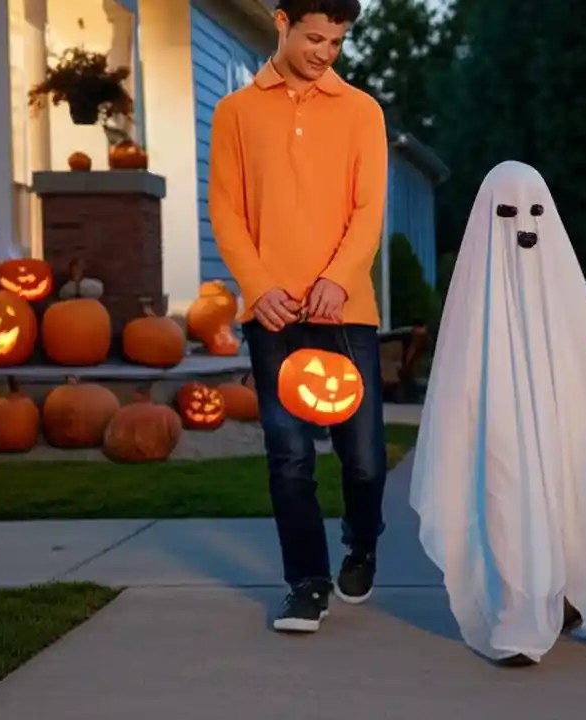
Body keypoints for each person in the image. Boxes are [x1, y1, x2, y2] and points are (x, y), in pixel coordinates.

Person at [409, 161, 586, 666]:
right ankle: (519, 617)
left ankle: (562, 598)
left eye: (536, 213)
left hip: (562, 425)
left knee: (566, 497)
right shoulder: (475, 303)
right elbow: (457, 378)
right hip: (499, 421)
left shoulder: (565, 294)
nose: (524, 230)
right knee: (505, 495)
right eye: (509, 213)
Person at [207, 0, 389, 633]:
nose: (325, 52)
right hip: (274, 315)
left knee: (363, 457)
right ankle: (307, 583)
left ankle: (362, 542)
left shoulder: (362, 111)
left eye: (336, 42)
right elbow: (226, 211)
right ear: (282, 22)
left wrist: (338, 280)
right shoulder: (235, 112)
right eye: (315, 37)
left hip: (348, 312)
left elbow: (369, 210)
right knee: (289, 457)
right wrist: (258, 289)